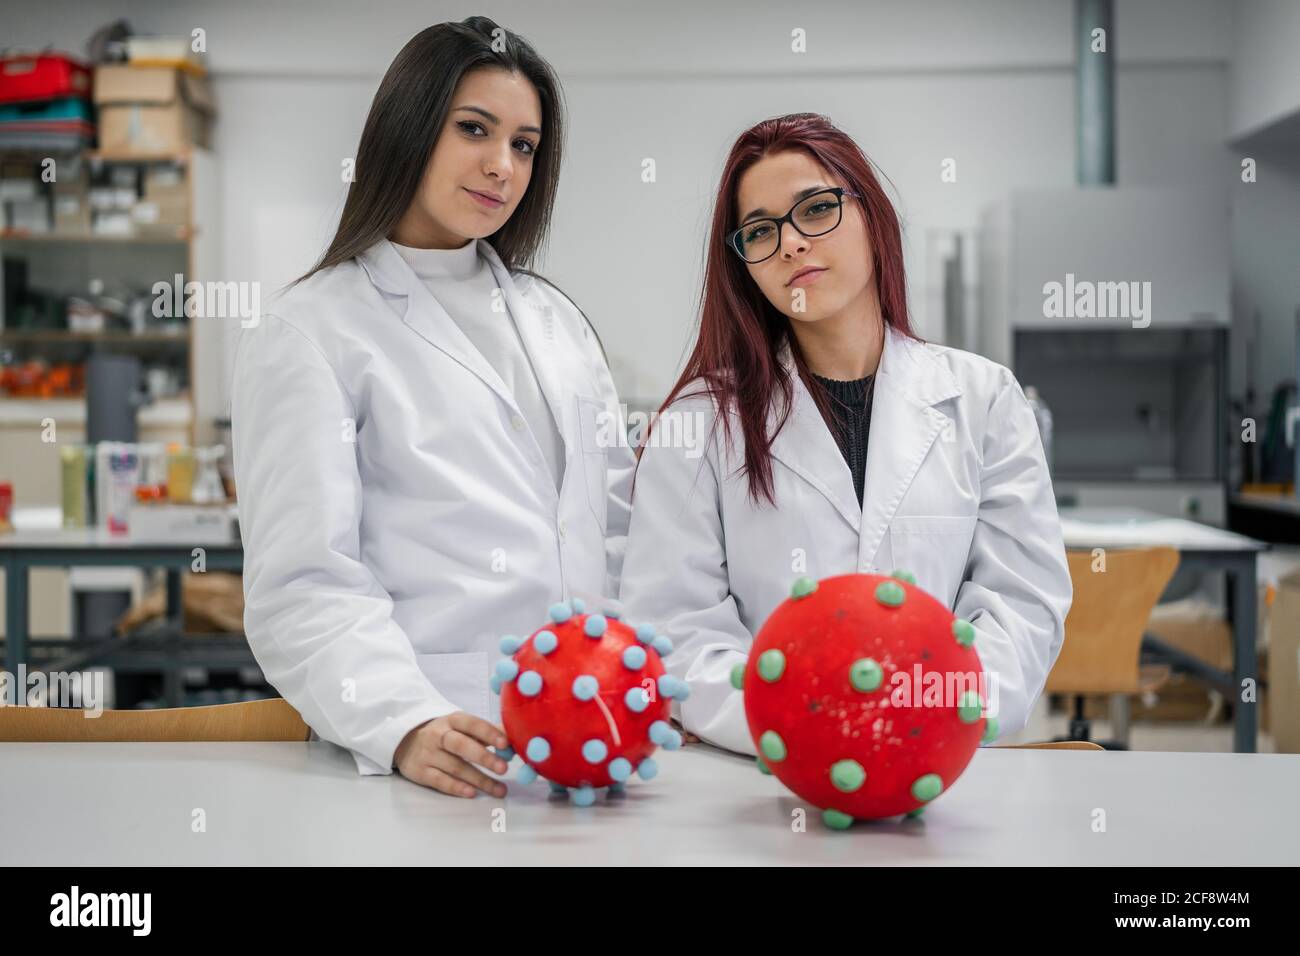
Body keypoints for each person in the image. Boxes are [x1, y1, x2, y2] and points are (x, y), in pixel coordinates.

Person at [231, 18, 634, 796]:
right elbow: (304, 584)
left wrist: (631, 682)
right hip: (426, 752)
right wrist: (403, 722)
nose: (501, 166)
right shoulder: (310, 329)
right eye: (474, 129)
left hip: (588, 738)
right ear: (408, 129)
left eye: (524, 144)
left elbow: (615, 530)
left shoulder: (557, 324)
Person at [619, 113, 1072, 755]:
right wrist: (814, 724)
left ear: (871, 215)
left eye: (815, 209)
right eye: (760, 231)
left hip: (940, 769)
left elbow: (1021, 606)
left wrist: (925, 718)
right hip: (769, 781)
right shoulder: (696, 424)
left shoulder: (985, 400)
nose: (791, 244)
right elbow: (676, 628)